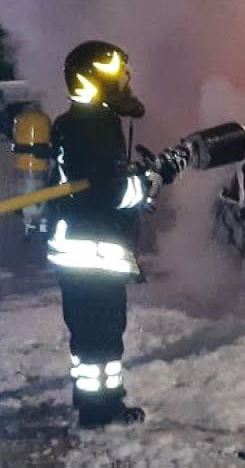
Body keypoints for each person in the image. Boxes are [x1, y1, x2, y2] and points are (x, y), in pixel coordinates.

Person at [46, 40, 156, 428]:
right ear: (93, 79)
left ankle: (90, 400)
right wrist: (146, 185)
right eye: (117, 76)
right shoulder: (98, 126)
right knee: (104, 336)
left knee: (86, 335)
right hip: (95, 250)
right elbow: (111, 194)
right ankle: (102, 409)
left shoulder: (68, 122)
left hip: (71, 249)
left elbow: (89, 182)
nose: (125, 82)